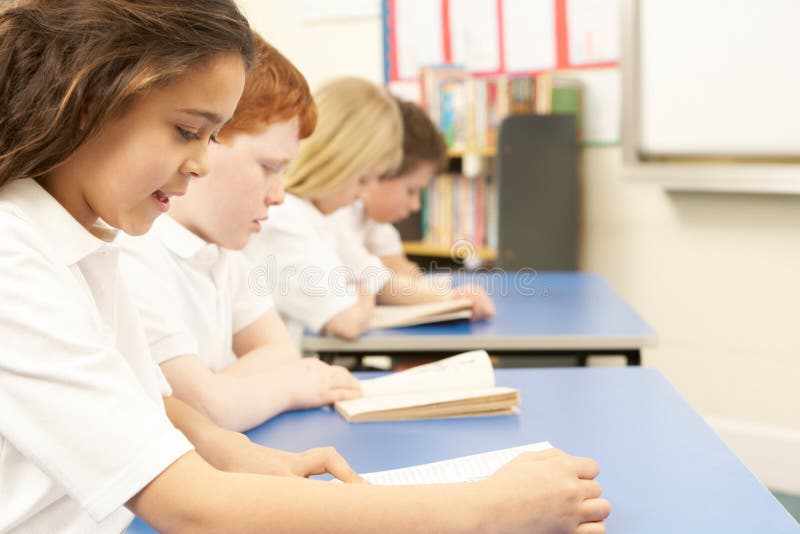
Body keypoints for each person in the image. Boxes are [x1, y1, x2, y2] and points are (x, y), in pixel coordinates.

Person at [0, 1, 610, 532]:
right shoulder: (15, 256)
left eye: (210, 139)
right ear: (86, 100)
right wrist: (487, 509)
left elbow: (148, 401)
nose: (201, 165)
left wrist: (232, 452)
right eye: (188, 131)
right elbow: (194, 510)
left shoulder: (85, 238)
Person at [118, 33, 361, 432]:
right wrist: (284, 389)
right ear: (206, 137)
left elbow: (280, 353)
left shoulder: (223, 252)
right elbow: (204, 411)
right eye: (267, 167)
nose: (280, 195)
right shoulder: (133, 250)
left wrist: (219, 391)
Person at [244, 77, 404, 344]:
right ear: (336, 162)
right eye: (362, 180)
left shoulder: (323, 216)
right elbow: (348, 320)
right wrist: (363, 293)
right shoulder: (281, 218)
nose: (363, 195)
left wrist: (361, 289)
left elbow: (372, 274)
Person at [330, 96, 495, 320]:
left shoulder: (368, 215)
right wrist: (454, 299)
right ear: (381, 168)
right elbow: (376, 280)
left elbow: (400, 270)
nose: (416, 205)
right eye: (411, 190)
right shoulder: (335, 213)